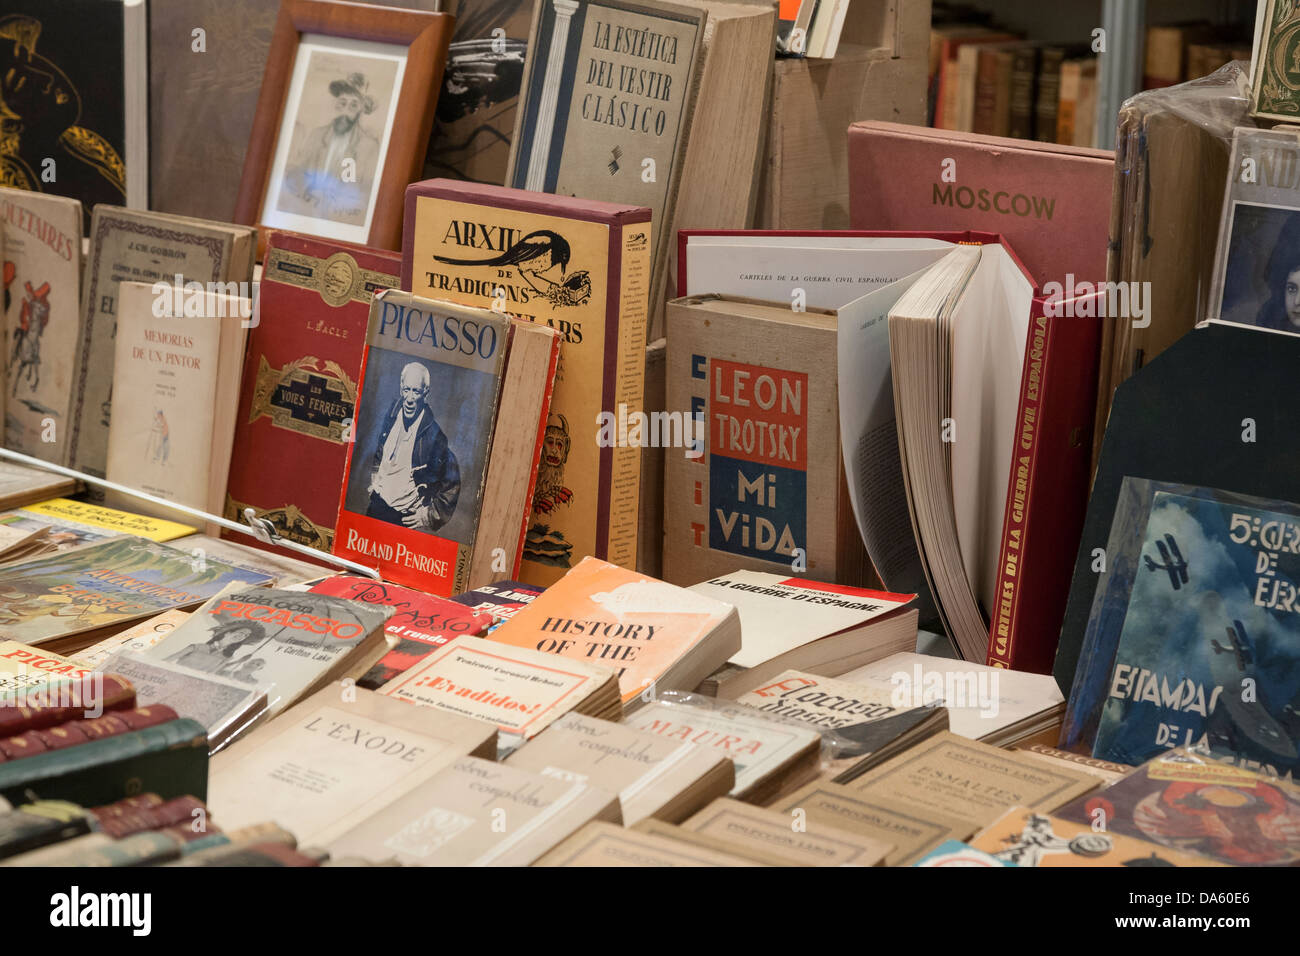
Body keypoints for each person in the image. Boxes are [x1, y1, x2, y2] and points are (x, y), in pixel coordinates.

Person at [365, 362, 460, 532]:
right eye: (406, 390)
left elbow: (452, 483)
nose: (409, 398)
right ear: (401, 388)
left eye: (416, 391)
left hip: (401, 518)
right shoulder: (392, 413)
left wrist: (429, 516)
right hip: (376, 505)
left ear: (425, 394)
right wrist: (375, 477)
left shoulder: (435, 436)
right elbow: (382, 449)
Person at [281, 72, 381, 224]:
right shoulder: (317, 135)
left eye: (353, 105)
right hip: (306, 213)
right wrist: (308, 191)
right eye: (342, 102)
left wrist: (336, 200)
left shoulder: (369, 147)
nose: (345, 110)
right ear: (336, 104)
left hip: (342, 220)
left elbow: (368, 195)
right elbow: (295, 173)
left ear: (361, 110)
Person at [165, 621, 265, 674]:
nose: (242, 636)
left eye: (245, 636)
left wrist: (239, 661)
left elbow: (211, 674)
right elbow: (167, 660)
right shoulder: (197, 647)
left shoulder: (227, 657)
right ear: (228, 633)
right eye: (241, 632)